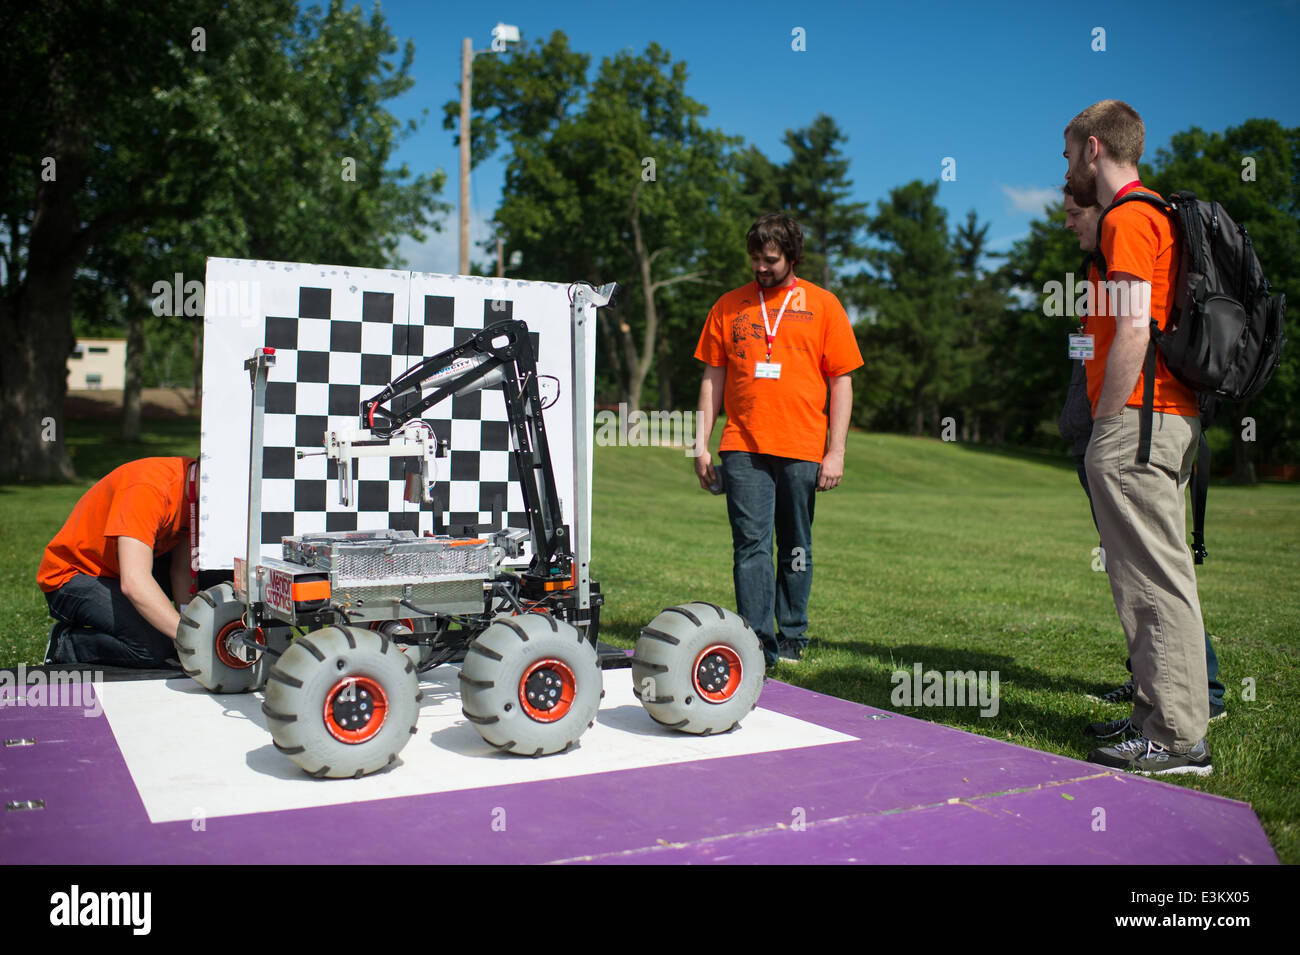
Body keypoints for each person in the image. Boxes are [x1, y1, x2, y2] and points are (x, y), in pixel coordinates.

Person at [1063, 100, 1212, 775]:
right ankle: (1158, 714)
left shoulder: (1125, 217)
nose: (1066, 167)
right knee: (1149, 572)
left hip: (1139, 419)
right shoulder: (1158, 212)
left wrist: (1104, 424)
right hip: (1167, 416)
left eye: (1068, 153)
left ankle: (1178, 737)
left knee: (1152, 577)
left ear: (1094, 148)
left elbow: (1131, 330)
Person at [692, 213, 863, 666]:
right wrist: (701, 443)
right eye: (755, 259)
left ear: (793, 257)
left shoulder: (824, 305)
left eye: (770, 260)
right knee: (750, 544)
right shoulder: (729, 306)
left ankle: (792, 634)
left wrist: (836, 451)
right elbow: (713, 376)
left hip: (803, 446)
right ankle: (755, 642)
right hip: (742, 444)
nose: (761, 268)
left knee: (795, 545)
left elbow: (841, 380)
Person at [39, 456, 198, 668]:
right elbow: (134, 581)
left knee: (174, 636)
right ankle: (65, 643)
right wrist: (189, 637)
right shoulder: (149, 488)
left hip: (118, 571)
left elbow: (181, 571)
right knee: (152, 649)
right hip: (72, 577)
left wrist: (189, 625)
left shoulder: (196, 496)